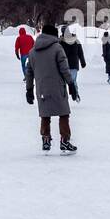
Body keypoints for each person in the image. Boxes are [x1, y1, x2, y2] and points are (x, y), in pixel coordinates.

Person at [25, 23, 79, 153]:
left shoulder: (33, 51)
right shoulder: (57, 48)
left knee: (45, 115)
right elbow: (64, 69)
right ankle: (65, 141)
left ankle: (46, 139)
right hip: (57, 88)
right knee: (64, 114)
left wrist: (29, 90)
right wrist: (71, 84)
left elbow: (29, 72)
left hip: (42, 88)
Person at [60, 25, 86, 90]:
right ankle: (75, 92)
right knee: (73, 80)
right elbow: (80, 52)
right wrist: (83, 62)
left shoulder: (60, 42)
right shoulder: (76, 40)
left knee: (63, 81)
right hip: (74, 64)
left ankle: (63, 95)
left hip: (64, 65)